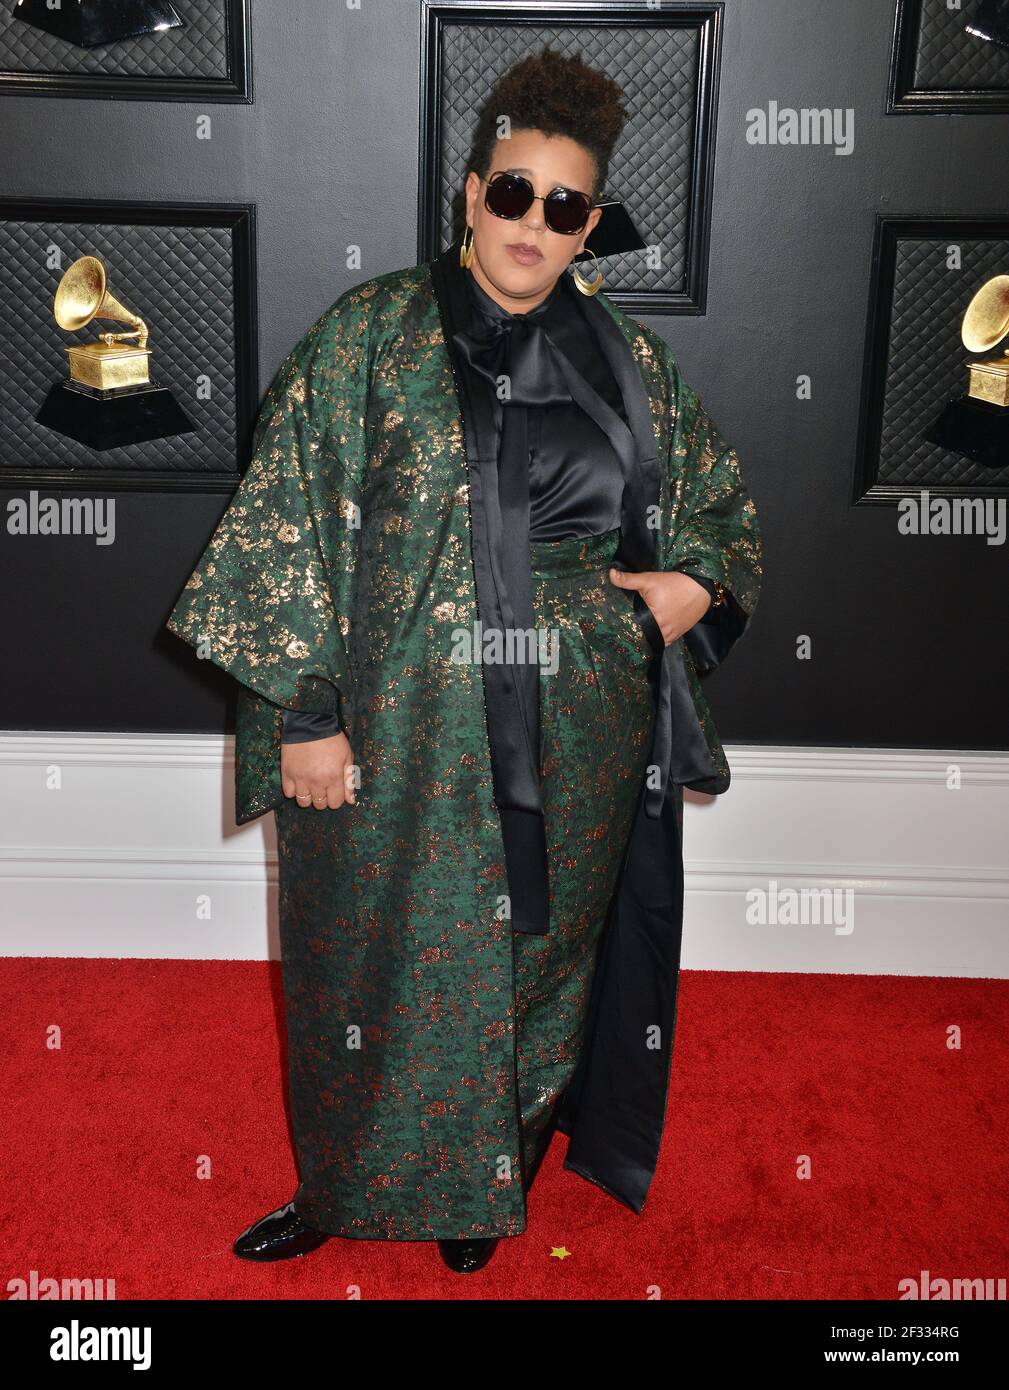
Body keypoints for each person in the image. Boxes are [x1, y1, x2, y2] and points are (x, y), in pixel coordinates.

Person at [165, 46, 762, 1276]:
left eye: (564, 207)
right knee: (357, 957)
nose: (532, 225)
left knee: (539, 956)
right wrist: (304, 714)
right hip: (396, 720)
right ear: (470, 193)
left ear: (589, 223)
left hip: (581, 715)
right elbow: (285, 519)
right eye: (511, 192)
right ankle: (339, 1183)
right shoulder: (371, 334)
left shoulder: (629, 364)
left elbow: (716, 506)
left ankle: (481, 1188)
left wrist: (689, 584)